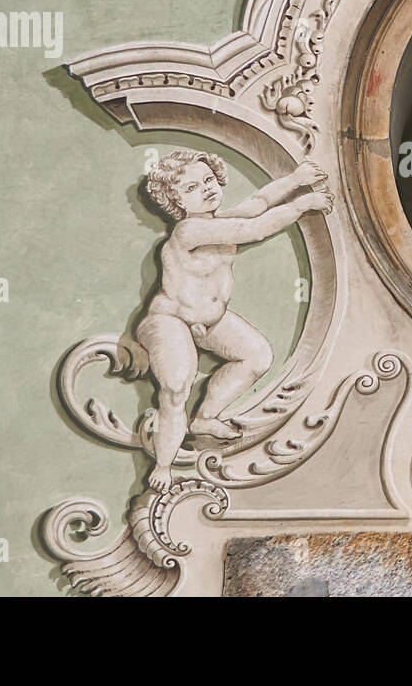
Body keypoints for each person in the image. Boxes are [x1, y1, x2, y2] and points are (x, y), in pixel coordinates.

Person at [136, 150, 332, 489]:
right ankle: (164, 465)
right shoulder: (189, 231)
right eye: (192, 188)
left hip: (209, 322)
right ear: (176, 201)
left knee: (257, 356)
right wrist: (301, 205)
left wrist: (296, 181)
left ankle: (205, 418)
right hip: (171, 320)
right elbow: (253, 228)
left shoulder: (217, 223)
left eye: (209, 180)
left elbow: (257, 202)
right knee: (176, 386)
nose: (207, 189)